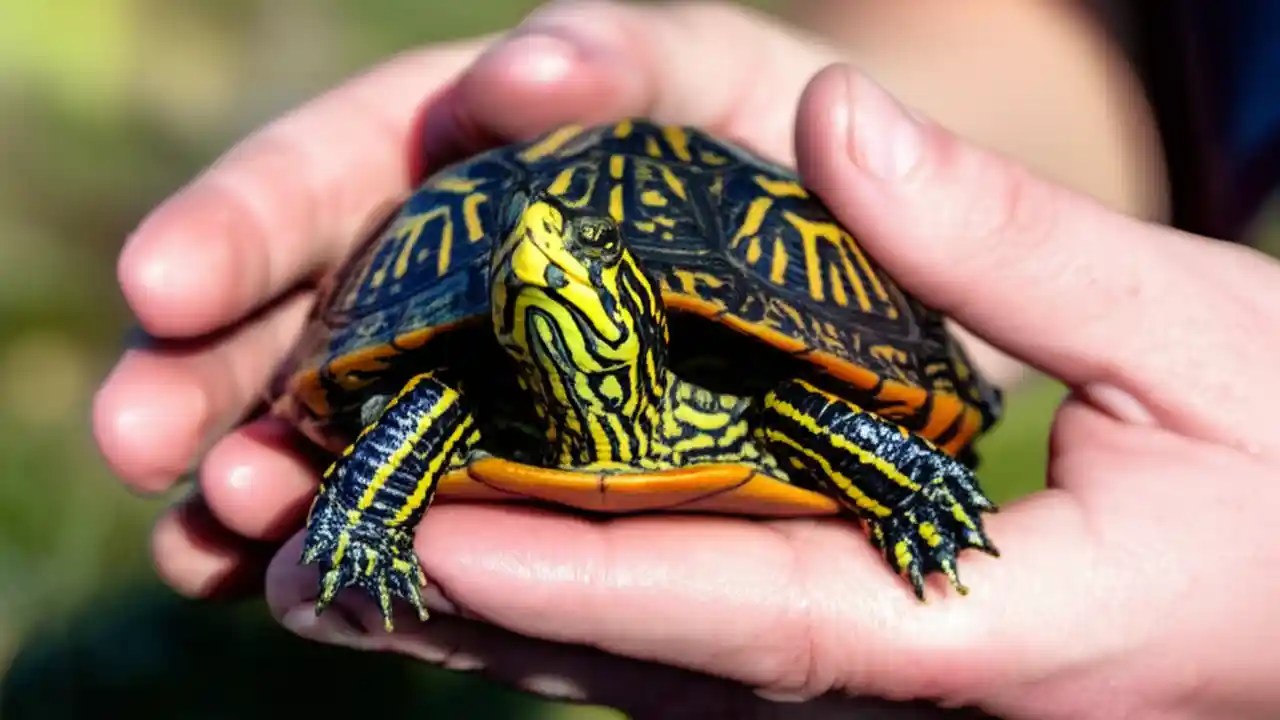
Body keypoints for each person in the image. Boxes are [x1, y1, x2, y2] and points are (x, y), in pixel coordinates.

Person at [91, 2, 1280, 717]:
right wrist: (367, 513)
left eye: (581, 247)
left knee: (811, 420)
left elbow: (814, 397)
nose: (542, 243)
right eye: (523, 245)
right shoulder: (465, 385)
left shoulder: (731, 378)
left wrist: (911, 482)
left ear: (629, 298)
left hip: (732, 398)